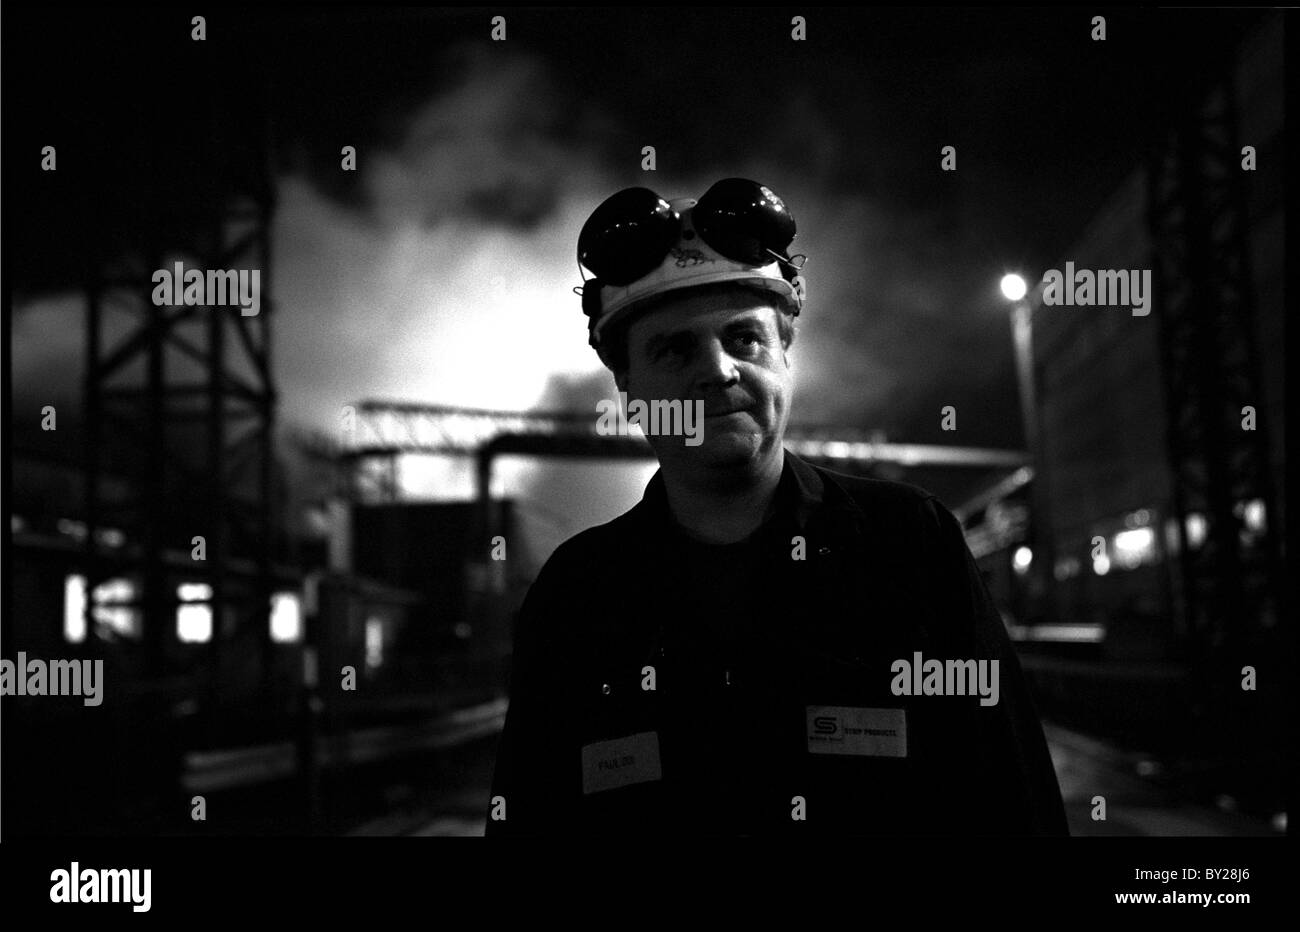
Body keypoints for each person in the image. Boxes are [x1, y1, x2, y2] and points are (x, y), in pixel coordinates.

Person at [485, 178, 1068, 835]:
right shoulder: (576, 599)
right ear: (627, 385)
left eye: (745, 339)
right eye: (675, 349)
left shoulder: (911, 547)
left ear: (786, 354)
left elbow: (1015, 809)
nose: (719, 370)